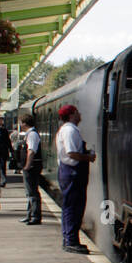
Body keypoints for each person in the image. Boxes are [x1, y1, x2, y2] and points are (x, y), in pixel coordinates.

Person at [55, 104, 94, 254]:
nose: (80, 114)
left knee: (72, 207)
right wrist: (88, 157)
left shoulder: (68, 130)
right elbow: (71, 153)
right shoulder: (70, 130)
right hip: (72, 172)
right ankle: (71, 241)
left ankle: (70, 239)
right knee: (73, 207)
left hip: (70, 172)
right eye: (77, 112)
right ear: (72, 115)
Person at [19, 113, 43, 226]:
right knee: (29, 192)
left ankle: (35, 216)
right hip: (30, 167)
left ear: (24, 123)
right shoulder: (29, 134)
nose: (20, 125)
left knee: (32, 192)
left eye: (21, 122)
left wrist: (28, 165)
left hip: (32, 167)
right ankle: (29, 215)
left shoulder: (32, 135)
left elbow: (31, 151)